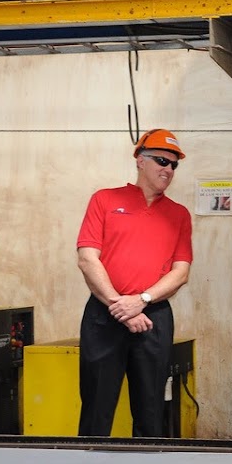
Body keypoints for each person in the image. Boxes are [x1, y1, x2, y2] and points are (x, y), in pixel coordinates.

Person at [76, 128, 193, 437]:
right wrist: (120, 305)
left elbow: (181, 272)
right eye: (161, 161)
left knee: (152, 409)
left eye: (173, 165)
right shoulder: (105, 200)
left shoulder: (178, 214)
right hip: (105, 315)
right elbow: (88, 259)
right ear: (140, 161)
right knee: (96, 406)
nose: (168, 169)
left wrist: (140, 301)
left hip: (152, 317)